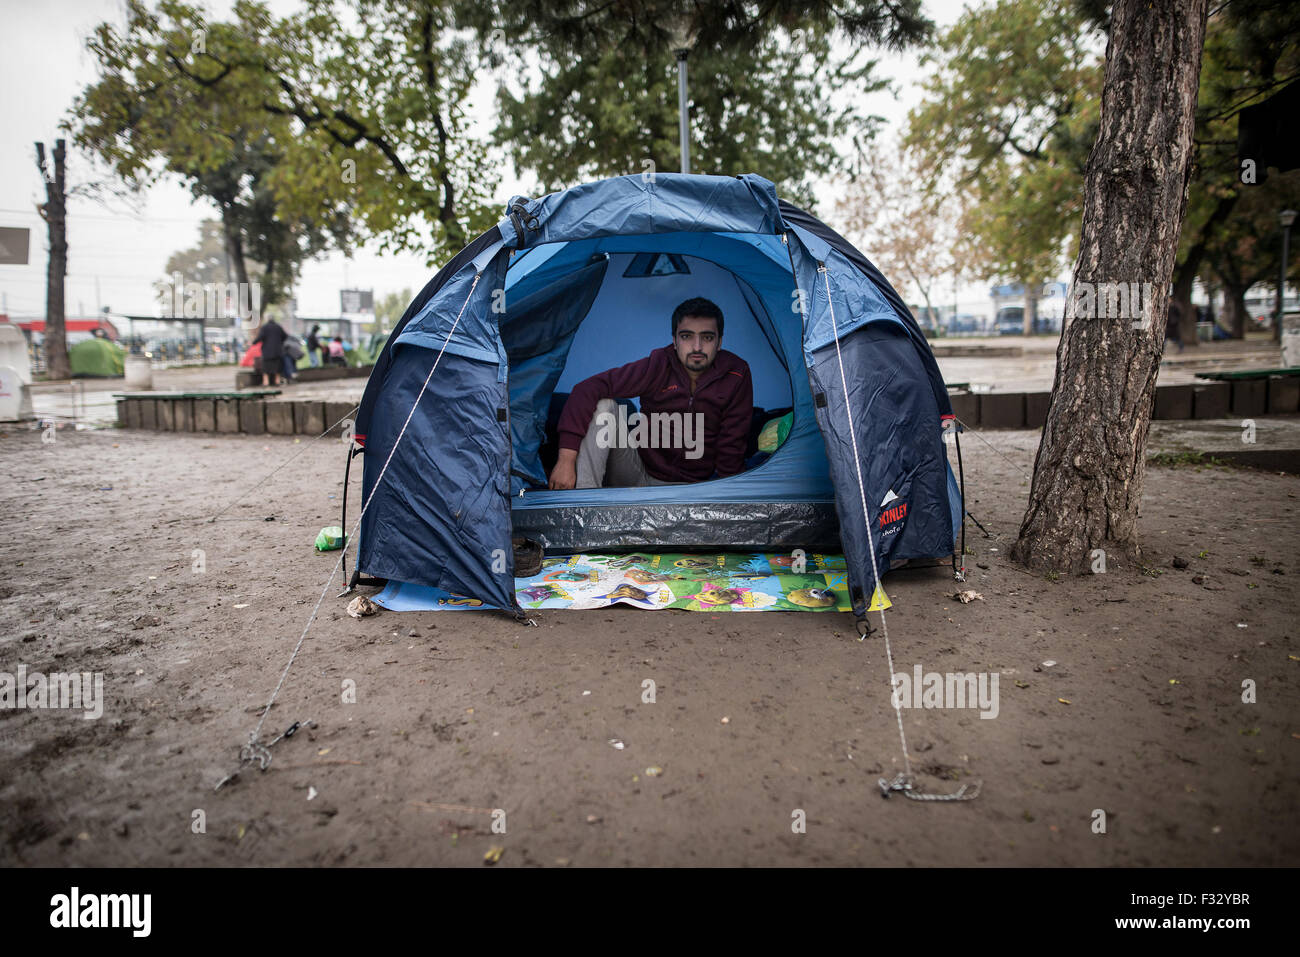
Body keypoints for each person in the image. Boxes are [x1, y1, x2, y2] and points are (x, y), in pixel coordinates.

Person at [549, 297, 752, 490]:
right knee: (604, 406)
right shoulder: (659, 365)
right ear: (674, 341)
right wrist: (565, 461)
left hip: (695, 488)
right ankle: (584, 506)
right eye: (686, 336)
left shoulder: (736, 374)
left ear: (720, 342)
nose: (697, 347)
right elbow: (588, 388)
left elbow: (732, 446)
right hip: (641, 478)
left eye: (707, 337)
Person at [252, 316, 287, 386]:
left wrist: (254, 342)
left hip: (267, 352)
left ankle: (266, 382)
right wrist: (280, 342)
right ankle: (277, 381)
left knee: (265, 368)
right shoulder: (278, 327)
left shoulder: (264, 327)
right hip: (277, 351)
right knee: (277, 367)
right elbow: (285, 336)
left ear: (268, 320)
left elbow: (260, 337)